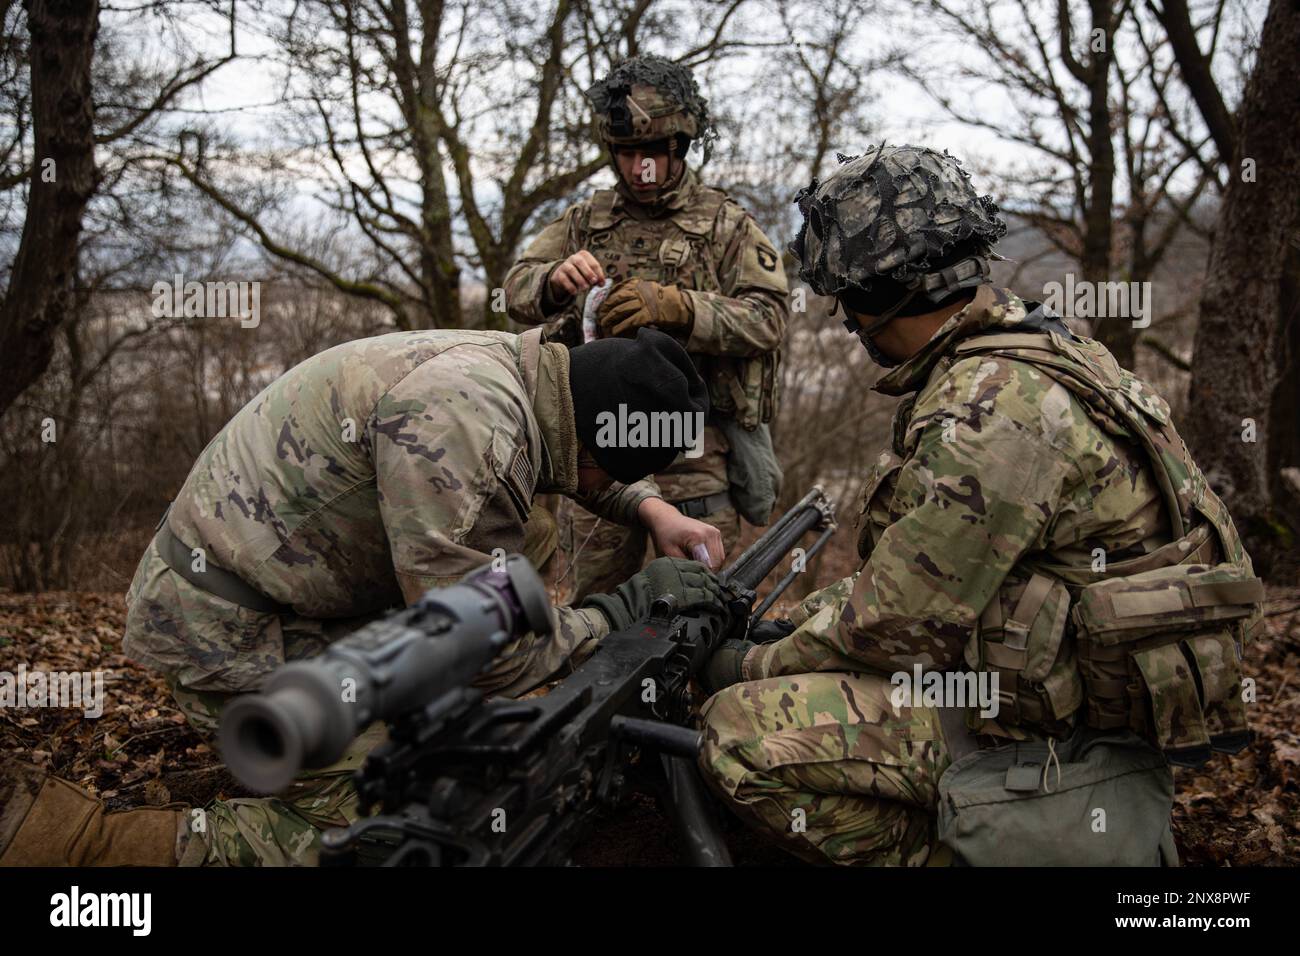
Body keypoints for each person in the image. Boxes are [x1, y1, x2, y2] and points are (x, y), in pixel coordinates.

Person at [697, 144, 1261, 866]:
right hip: (1071, 686)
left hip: (1055, 728)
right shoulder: (1045, 349)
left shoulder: (990, 409)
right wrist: (796, 623)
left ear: (880, 293)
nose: (847, 323)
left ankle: (969, 849)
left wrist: (747, 666)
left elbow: (897, 628)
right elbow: (923, 573)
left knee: (739, 731)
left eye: (846, 301)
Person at [0, 326, 727, 866]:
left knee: (471, 739)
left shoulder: (523, 375)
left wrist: (648, 509)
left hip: (287, 597)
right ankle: (74, 845)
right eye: (611, 479)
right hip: (225, 626)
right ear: (592, 448)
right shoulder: (465, 426)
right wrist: (613, 614)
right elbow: (485, 650)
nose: (599, 489)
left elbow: (581, 456)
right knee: (398, 836)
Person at [504, 54, 789, 602]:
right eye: (628, 154)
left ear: (679, 146)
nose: (641, 168)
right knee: (597, 609)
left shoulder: (727, 225)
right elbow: (516, 288)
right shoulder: (586, 220)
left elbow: (769, 319)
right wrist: (556, 281)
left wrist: (681, 308)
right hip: (596, 453)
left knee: (702, 609)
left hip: (693, 453)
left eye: (653, 152)